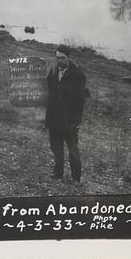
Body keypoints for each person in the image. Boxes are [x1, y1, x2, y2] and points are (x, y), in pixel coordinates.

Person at [45, 44, 87, 183]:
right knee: (56, 149)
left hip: (69, 121)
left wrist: (75, 122)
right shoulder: (53, 71)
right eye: (57, 58)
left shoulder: (78, 75)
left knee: (73, 151)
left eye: (62, 58)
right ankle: (58, 174)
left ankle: (76, 179)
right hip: (54, 119)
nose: (59, 61)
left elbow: (80, 101)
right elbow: (50, 93)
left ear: (69, 58)